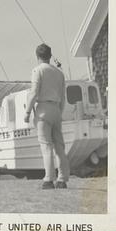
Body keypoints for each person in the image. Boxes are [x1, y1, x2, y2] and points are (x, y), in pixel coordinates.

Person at [23, 43, 70, 190]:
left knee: (46, 145)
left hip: (43, 108)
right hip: (56, 109)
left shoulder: (37, 70)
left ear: (37, 56)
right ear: (50, 56)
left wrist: (27, 112)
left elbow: (34, 92)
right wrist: (59, 112)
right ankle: (62, 179)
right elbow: (63, 97)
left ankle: (49, 179)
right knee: (59, 146)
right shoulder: (59, 73)